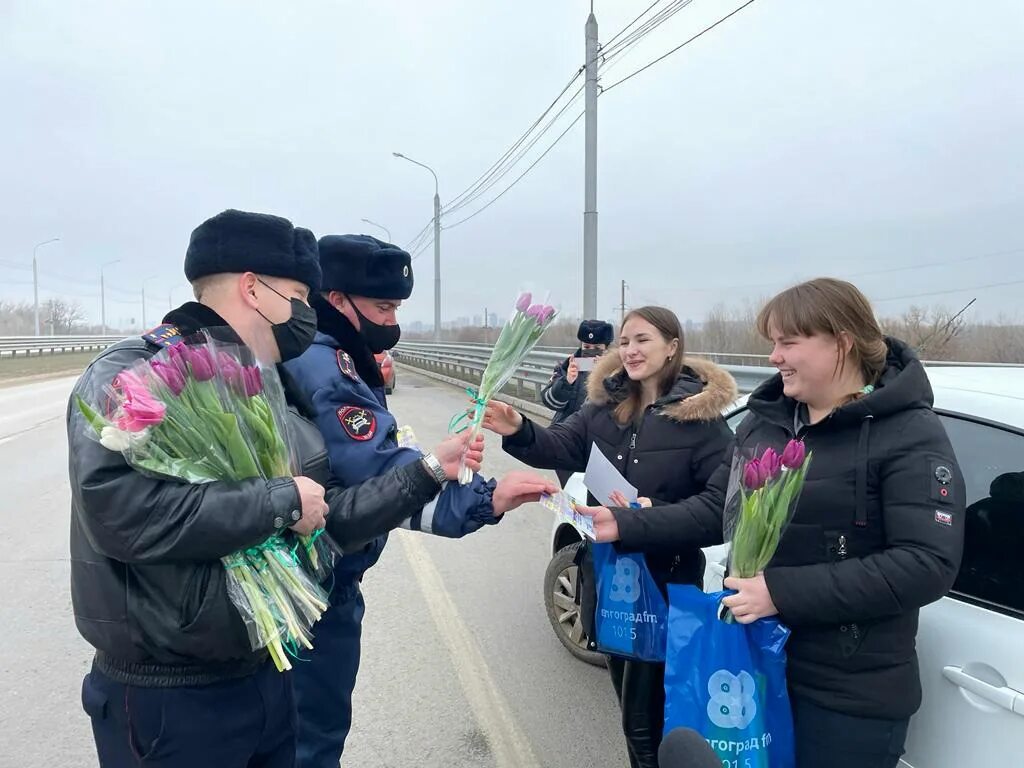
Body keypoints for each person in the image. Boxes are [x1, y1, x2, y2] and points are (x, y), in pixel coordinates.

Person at [68, 210, 504, 768]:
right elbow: (120, 515)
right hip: (171, 697)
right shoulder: (134, 375)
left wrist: (427, 472)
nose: (306, 314)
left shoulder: (273, 385)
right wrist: (280, 501)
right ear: (254, 288)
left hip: (269, 674)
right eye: (299, 295)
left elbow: (319, 520)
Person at [580, 278, 965, 768]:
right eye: (772, 344)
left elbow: (926, 563)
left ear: (841, 342)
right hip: (755, 662)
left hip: (845, 693)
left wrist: (778, 593)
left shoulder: (908, 432)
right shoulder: (769, 422)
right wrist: (625, 525)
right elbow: (721, 509)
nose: (774, 357)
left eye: (787, 342)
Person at [283, 233, 558, 768]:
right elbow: (375, 470)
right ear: (335, 299)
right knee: (312, 739)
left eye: (397, 306)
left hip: (317, 576)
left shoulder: (336, 352)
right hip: (318, 585)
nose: (392, 319)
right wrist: (484, 497)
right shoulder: (326, 366)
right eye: (382, 306)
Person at [482, 306, 737, 768]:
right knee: (630, 705)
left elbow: (718, 510)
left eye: (642, 340)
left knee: (656, 714)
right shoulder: (604, 406)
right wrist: (520, 428)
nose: (630, 351)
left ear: (672, 346)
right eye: (625, 341)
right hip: (610, 575)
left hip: (667, 584)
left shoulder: (703, 422)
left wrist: (649, 515)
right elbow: (562, 446)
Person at [541, 319, 614, 485]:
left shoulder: (617, 371)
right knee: (572, 491)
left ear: (606, 349)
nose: (590, 353)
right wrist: (567, 382)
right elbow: (549, 401)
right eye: (586, 347)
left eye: (597, 349)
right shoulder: (567, 366)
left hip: (602, 443)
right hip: (569, 440)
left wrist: (608, 376)